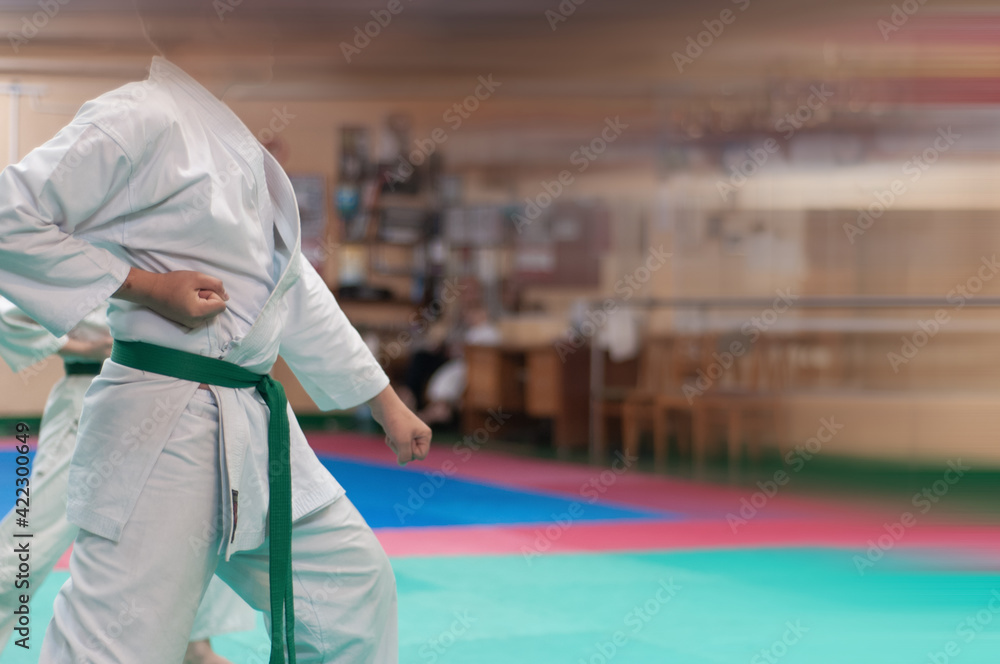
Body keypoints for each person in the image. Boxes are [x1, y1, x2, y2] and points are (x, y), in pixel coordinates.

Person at [0, 46, 430, 664]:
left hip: (251, 418)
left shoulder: (231, 142)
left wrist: (384, 400)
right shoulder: (139, 115)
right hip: (159, 420)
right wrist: (143, 287)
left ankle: (196, 645)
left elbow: (293, 286)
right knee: (113, 639)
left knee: (351, 592)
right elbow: (12, 217)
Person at [0, 299, 257, 664]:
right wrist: (76, 346)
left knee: (187, 531)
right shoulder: (100, 257)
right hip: (92, 396)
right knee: (32, 536)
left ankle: (194, 648)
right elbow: (11, 311)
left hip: (180, 400)